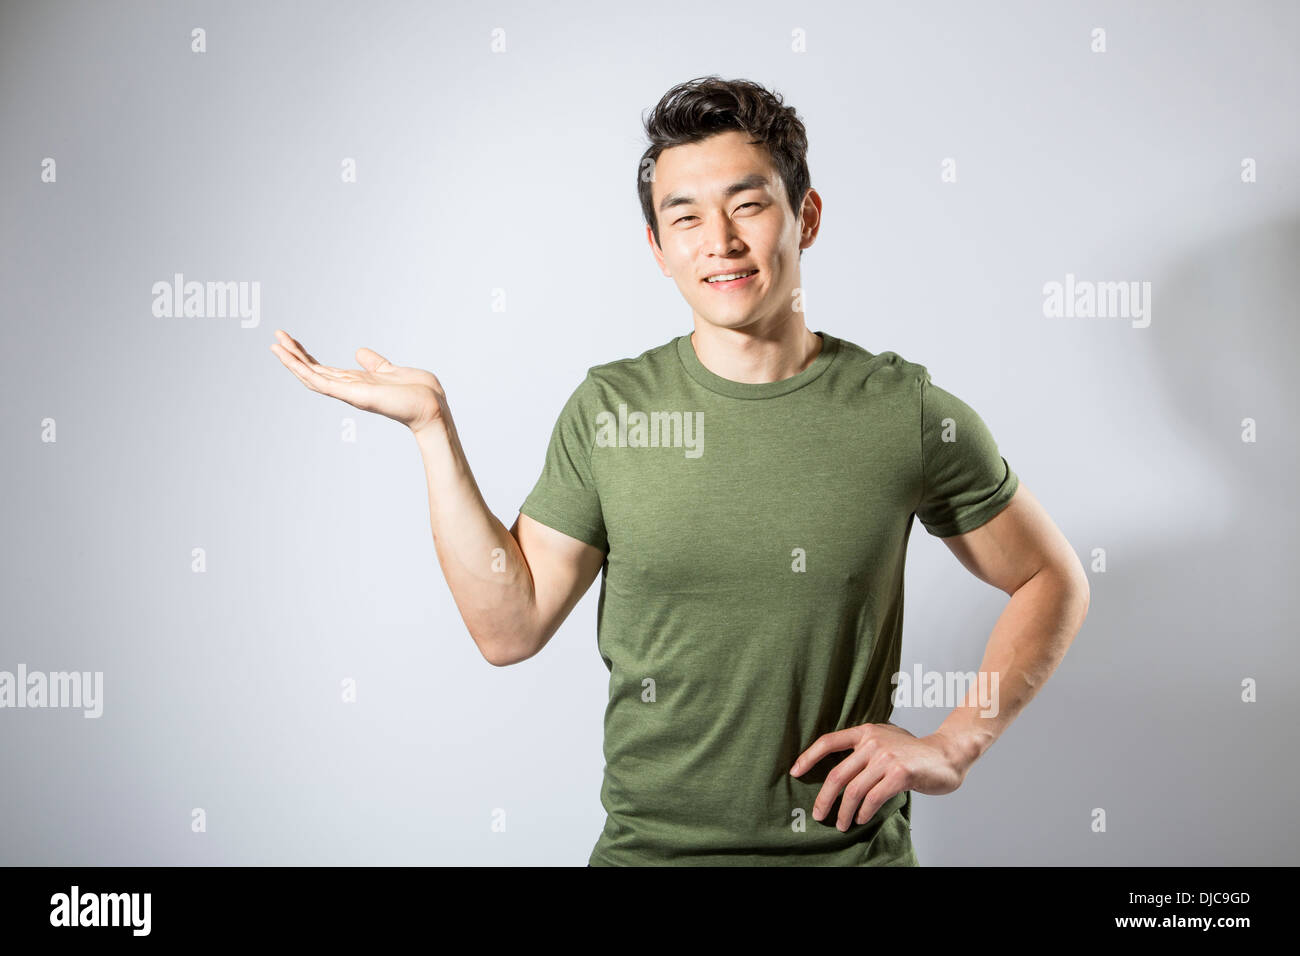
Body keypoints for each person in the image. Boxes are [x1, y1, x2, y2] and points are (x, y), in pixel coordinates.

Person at [270, 75, 1090, 866]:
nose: (721, 242)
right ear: (658, 249)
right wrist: (433, 433)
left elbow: (1050, 578)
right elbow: (508, 627)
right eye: (685, 217)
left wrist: (954, 744)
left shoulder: (903, 411)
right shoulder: (611, 409)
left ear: (804, 217)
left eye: (748, 204)